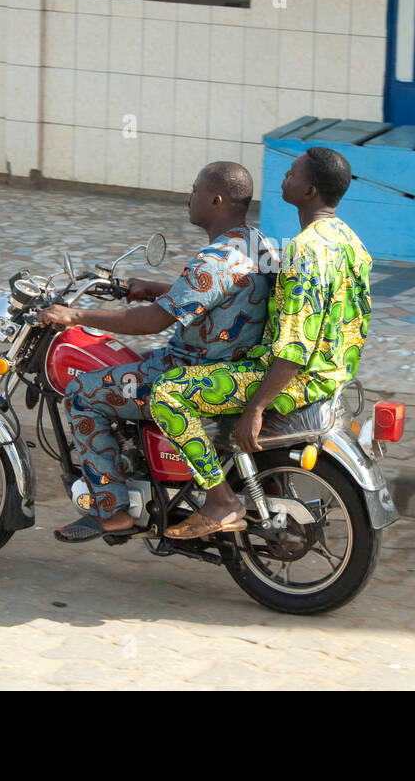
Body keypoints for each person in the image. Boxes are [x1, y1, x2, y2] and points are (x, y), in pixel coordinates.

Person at [39, 161, 277, 543]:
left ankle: (112, 512)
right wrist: (155, 288)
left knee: (82, 393)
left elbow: (151, 323)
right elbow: (216, 297)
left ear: (215, 199)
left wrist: (75, 315)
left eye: (196, 189)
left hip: (187, 371)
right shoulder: (256, 243)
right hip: (233, 367)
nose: (190, 197)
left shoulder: (213, 259)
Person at [150, 146, 372, 539]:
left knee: (167, 394)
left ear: (310, 191)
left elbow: (295, 345)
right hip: (333, 375)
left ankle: (219, 501)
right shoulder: (349, 240)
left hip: (296, 379)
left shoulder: (305, 250)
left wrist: (258, 405)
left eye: (292, 174)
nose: (284, 178)